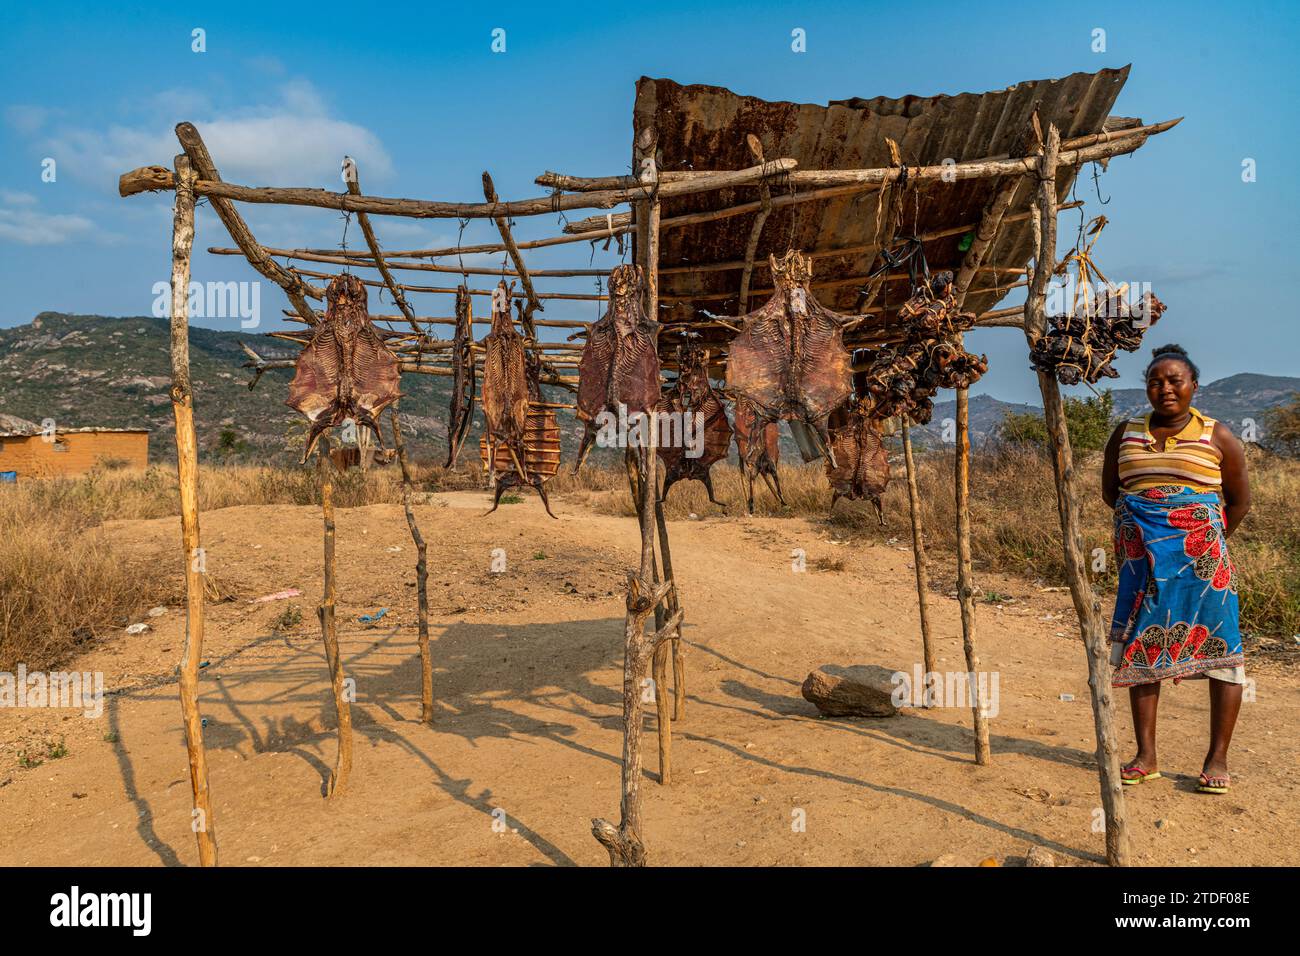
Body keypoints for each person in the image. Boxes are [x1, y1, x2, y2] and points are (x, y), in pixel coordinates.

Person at [1100, 343, 1250, 794]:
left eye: (1174, 381)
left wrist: (1197, 538)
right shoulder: (1124, 432)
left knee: (1224, 652)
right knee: (1143, 646)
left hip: (1203, 566)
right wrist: (1147, 527)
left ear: (1193, 386)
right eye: (1155, 381)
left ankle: (1217, 759)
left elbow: (1239, 503)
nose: (1164, 388)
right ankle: (1146, 757)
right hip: (1141, 560)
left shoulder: (1218, 435)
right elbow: (1112, 491)